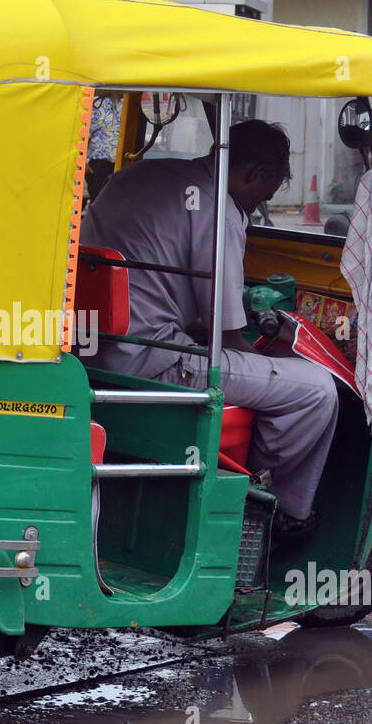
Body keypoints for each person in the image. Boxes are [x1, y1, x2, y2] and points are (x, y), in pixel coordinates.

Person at [80, 120, 338, 534]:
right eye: (263, 196)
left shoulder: (138, 175)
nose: (254, 209)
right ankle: (273, 512)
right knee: (316, 391)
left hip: (95, 352)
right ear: (253, 173)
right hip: (154, 362)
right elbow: (230, 338)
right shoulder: (220, 209)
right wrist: (271, 355)